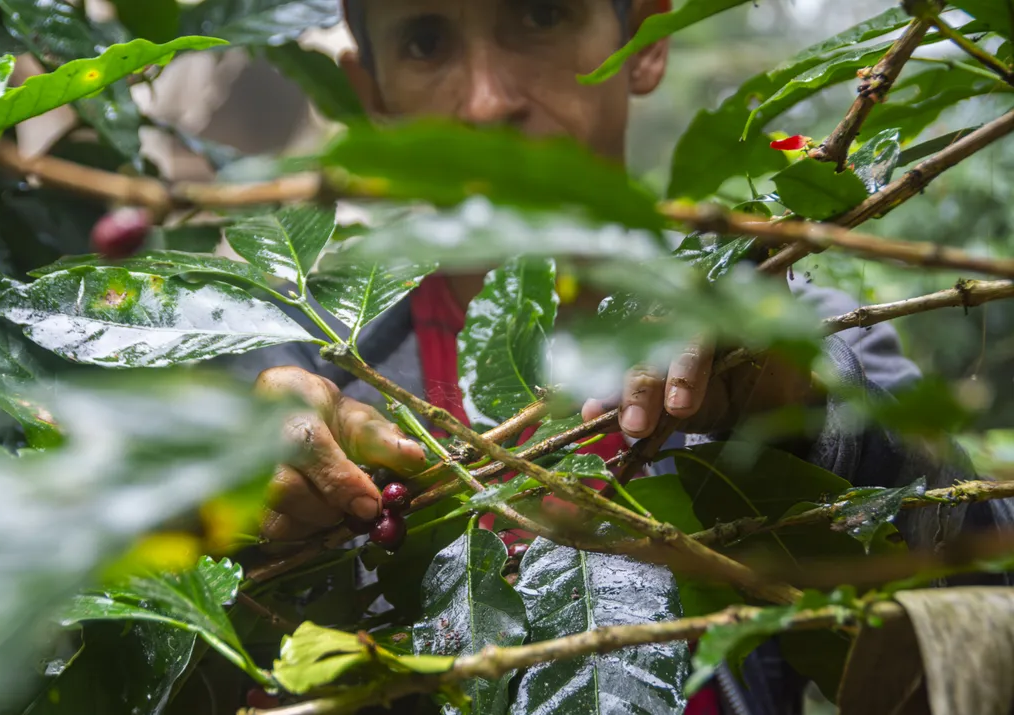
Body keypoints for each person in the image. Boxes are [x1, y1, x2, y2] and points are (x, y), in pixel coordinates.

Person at [232, 2, 1014, 713]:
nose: (486, 102)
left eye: (539, 17)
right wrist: (250, 518)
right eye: (426, 40)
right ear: (371, 90)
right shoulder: (319, 363)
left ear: (646, 35)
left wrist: (806, 421)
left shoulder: (778, 319)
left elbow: (985, 591)